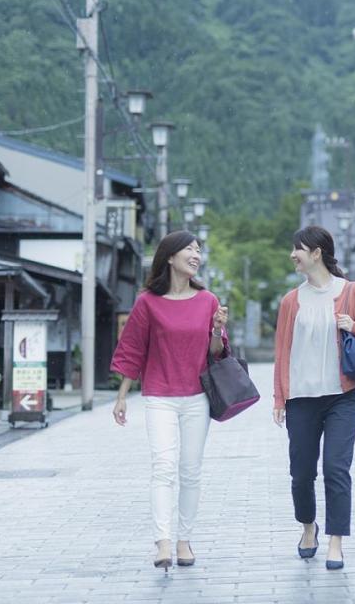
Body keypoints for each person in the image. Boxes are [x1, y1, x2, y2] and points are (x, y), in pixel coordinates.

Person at [111, 230, 228, 572]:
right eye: (189, 249)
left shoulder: (208, 300)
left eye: (198, 250)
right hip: (160, 396)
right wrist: (121, 397)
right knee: (163, 466)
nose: (196, 255)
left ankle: (184, 540)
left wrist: (218, 329)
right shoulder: (147, 301)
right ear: (170, 257)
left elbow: (216, 353)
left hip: (197, 398)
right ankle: (163, 540)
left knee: (190, 471)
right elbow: (134, 348)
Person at [272, 225, 355, 571]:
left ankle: (336, 541)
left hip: (342, 397)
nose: (293, 255)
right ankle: (308, 528)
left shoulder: (351, 291)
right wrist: (279, 397)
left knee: (336, 468)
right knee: (301, 473)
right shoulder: (291, 301)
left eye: (298, 249)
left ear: (316, 253)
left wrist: (354, 326)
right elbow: (282, 351)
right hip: (301, 399)